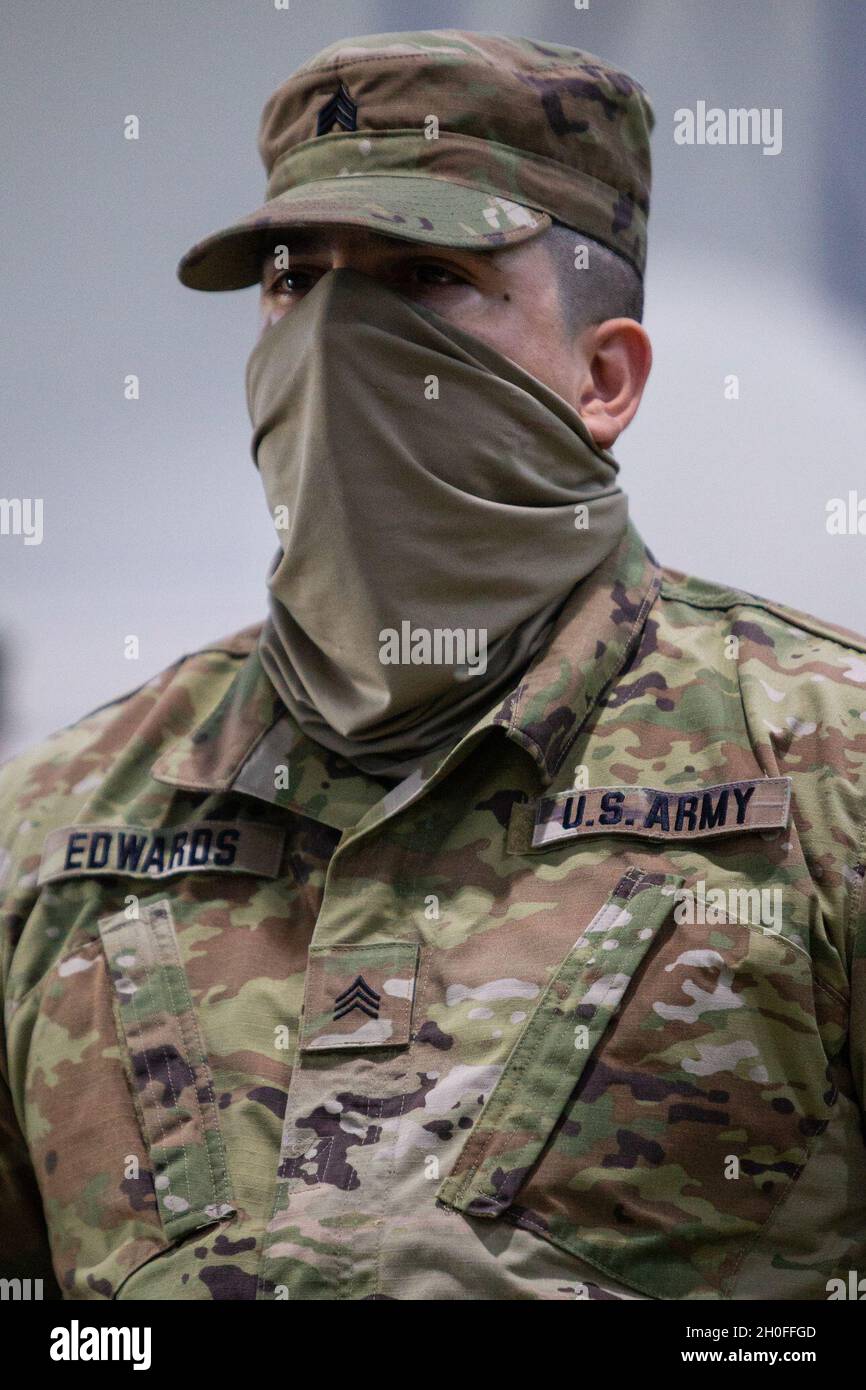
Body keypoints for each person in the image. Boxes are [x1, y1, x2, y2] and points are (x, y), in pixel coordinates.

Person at [2, 29, 865, 1303]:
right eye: (297, 282)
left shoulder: (822, 777)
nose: (338, 339)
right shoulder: (60, 828)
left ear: (603, 376)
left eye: (422, 279)